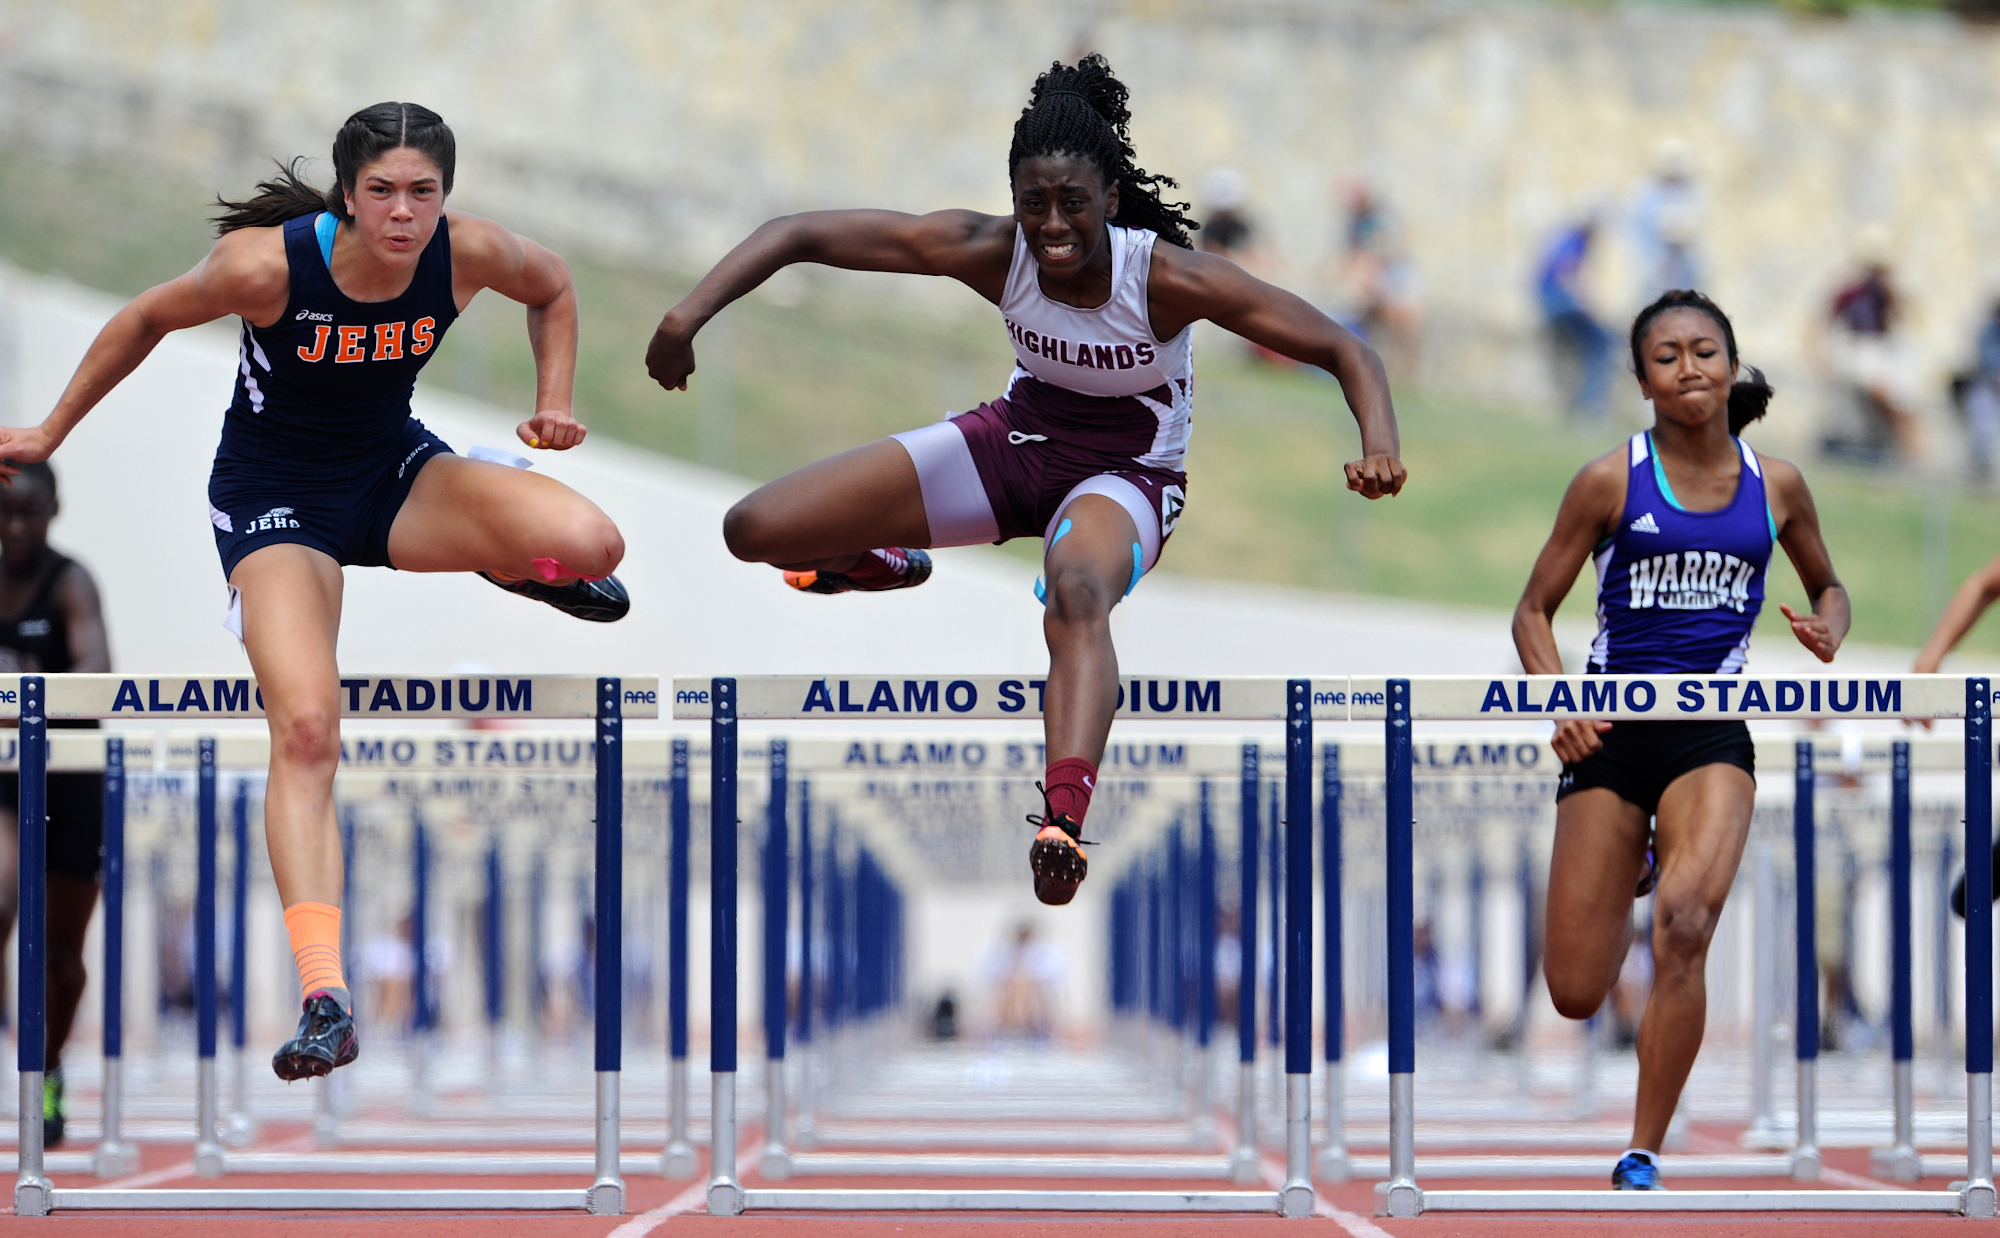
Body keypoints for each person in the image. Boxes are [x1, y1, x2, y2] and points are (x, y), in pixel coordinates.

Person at [645, 56, 1403, 907]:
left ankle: (1063, 821)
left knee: (1077, 590)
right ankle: (881, 561)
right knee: (756, 529)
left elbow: (1347, 347)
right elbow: (796, 233)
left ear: (1110, 200)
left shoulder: (1165, 280)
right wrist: (685, 317)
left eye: (1073, 203)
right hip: (1015, 442)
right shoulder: (987, 251)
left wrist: (1378, 441)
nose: (1052, 226)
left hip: (1128, 475)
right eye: (1032, 203)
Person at [0, 103, 628, 1081]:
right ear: (347, 194)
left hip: (390, 476)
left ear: (445, 200)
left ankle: (509, 559)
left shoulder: (467, 254)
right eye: (382, 191)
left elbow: (551, 288)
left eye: (423, 193)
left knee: (592, 540)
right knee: (305, 727)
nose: (403, 213)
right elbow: (145, 317)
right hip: (274, 502)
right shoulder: (265, 268)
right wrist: (49, 430)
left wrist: (557, 396)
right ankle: (325, 995)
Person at [1512, 289, 1848, 1190]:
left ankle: (1643, 1147)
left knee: (1686, 927)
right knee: (1576, 990)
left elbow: (1830, 586)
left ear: (1731, 366)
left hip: (1709, 738)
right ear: (1642, 380)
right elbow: (1532, 609)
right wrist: (1559, 703)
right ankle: (1640, 852)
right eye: (1667, 356)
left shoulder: (1776, 484)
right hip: (1612, 739)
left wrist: (1828, 626)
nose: (1689, 367)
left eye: (1705, 351)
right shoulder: (1609, 480)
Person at [0, 462, 109, 1145]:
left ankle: (48, 1068)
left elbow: (96, 676)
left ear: (55, 510)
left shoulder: (70, 581)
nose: (16, 528)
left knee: (63, 957)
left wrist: (25, 692)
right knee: (0, 899)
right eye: (6, 513)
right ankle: (16, 1062)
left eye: (30, 513)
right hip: (5, 776)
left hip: (69, 776)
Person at [1536, 216, 1614, 419]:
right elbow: (1571, 276)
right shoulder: (1576, 244)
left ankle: (1582, 404)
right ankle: (1590, 408)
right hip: (1562, 306)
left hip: (1550, 305)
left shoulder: (1561, 239)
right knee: (1603, 344)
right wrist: (1591, 307)